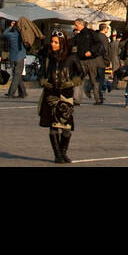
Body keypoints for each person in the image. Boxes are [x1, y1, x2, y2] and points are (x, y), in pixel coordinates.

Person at [39, 31, 84, 163]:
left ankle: (63, 152)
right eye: (52, 42)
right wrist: (44, 82)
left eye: (56, 42)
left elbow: (81, 73)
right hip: (51, 94)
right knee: (53, 126)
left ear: (62, 43)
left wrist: (72, 82)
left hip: (66, 93)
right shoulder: (48, 56)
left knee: (66, 126)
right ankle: (57, 154)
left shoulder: (71, 57)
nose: (53, 44)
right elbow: (41, 73)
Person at [4, 20, 28, 98]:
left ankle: (23, 93)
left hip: (12, 57)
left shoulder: (11, 34)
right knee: (17, 76)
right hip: (20, 57)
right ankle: (11, 93)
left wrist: (10, 26)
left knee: (17, 75)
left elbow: (4, 34)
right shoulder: (22, 35)